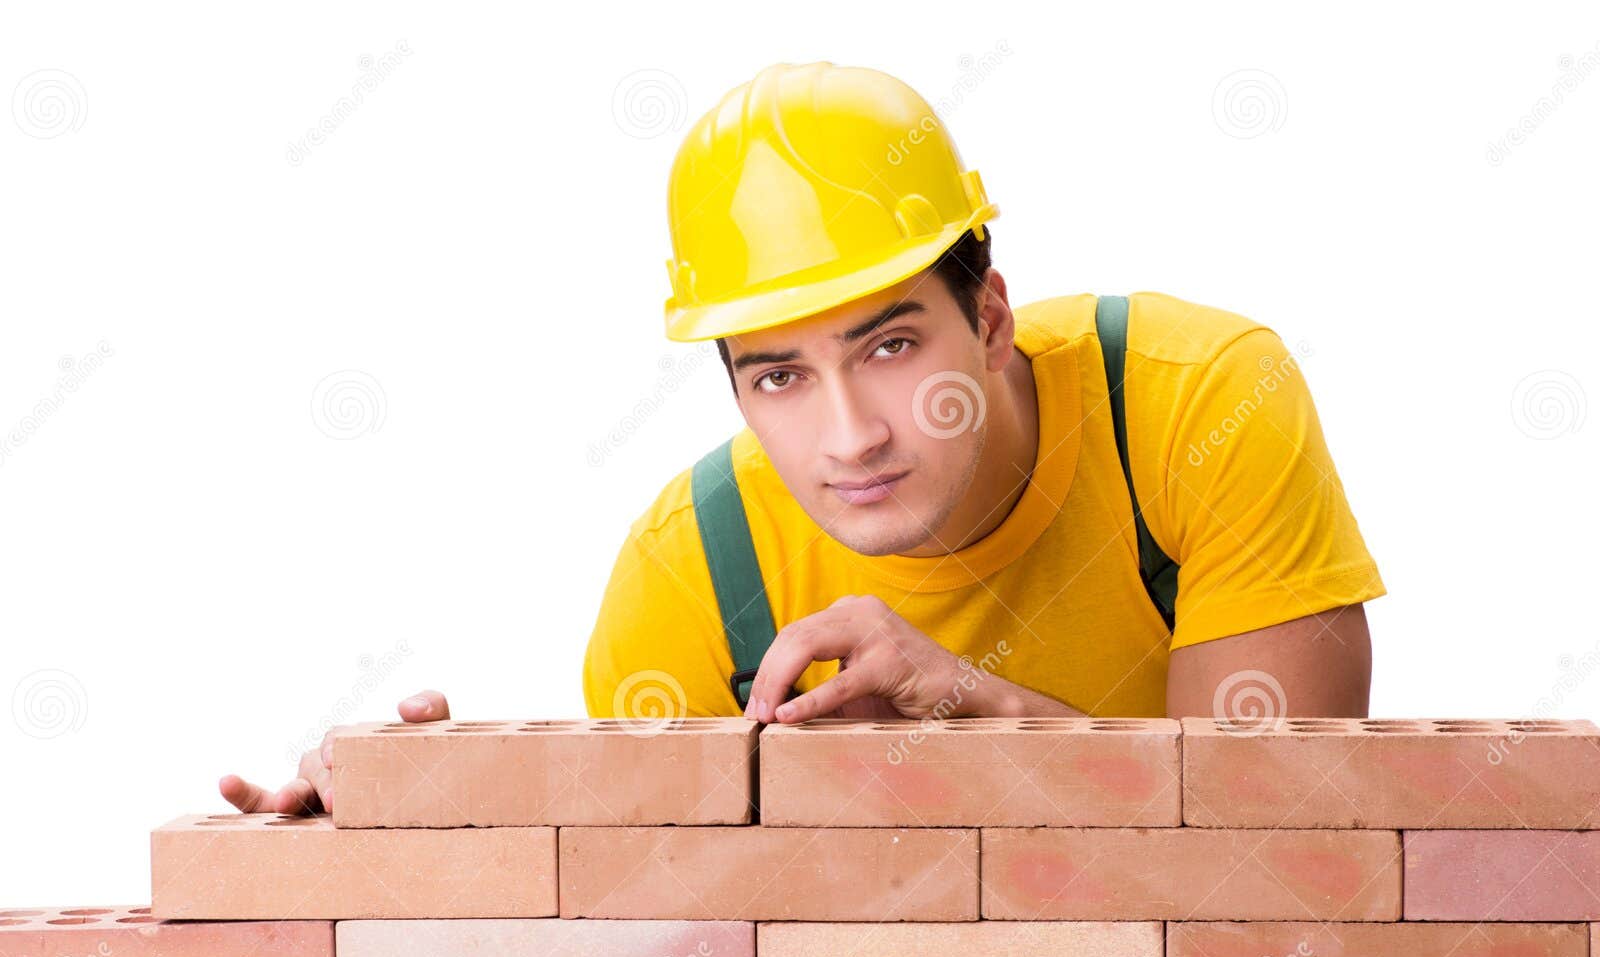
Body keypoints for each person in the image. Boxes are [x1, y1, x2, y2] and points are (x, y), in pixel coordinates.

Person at [223, 61, 1384, 816]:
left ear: (986, 318)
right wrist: (420, 828)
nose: (851, 436)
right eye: (781, 375)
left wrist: (987, 716)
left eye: (887, 348)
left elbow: (1294, 858)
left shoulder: (1194, 407)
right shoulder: (694, 572)